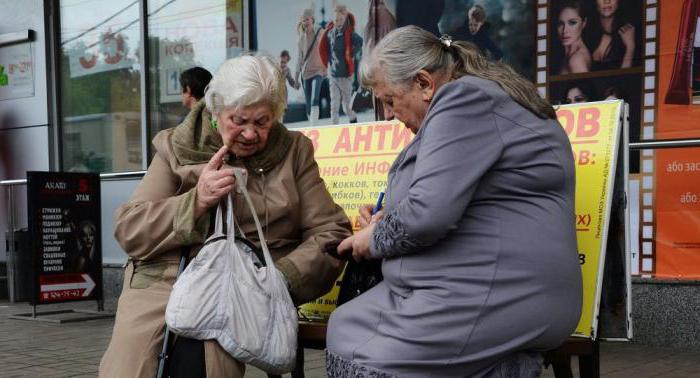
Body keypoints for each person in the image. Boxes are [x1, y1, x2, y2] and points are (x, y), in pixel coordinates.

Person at [326, 26, 582, 377]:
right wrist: (390, 216)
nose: (387, 114)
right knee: (346, 325)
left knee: (371, 353)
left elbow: (428, 215)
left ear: (424, 83)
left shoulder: (464, 99)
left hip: (499, 290)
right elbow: (453, 195)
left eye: (389, 100)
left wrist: (372, 240)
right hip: (478, 283)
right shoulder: (469, 100)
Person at [99, 55, 352, 377]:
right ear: (215, 112)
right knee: (134, 366)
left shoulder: (294, 151)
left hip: (252, 287)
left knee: (207, 359)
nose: (249, 134)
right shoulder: (177, 147)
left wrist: (279, 278)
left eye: (262, 122)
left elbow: (330, 232)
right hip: (167, 281)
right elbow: (129, 229)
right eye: (239, 120)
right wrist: (196, 201)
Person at [319, 5, 363, 124]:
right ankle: (334, 127)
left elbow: (360, 42)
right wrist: (326, 64)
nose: (338, 22)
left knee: (346, 107)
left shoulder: (349, 33)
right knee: (334, 105)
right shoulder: (329, 34)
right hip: (333, 75)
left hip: (345, 76)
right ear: (333, 20)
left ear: (345, 19)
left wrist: (351, 53)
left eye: (341, 20)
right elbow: (324, 49)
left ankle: (353, 119)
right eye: (336, 20)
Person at [294, 9, 325, 125]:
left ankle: (314, 125)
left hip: (318, 70)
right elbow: (299, 60)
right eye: (303, 21)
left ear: (312, 19)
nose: (305, 22)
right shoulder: (301, 39)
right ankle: (311, 121)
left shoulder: (320, 32)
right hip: (306, 73)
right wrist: (296, 78)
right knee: (308, 104)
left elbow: (328, 46)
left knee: (314, 98)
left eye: (307, 19)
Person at [585, 0, 636, 70]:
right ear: (594, 2)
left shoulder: (628, 32)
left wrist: (630, 47)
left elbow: (625, 77)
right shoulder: (586, 33)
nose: (607, 1)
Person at [555, 1, 591, 74]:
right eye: (561, 24)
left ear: (584, 23)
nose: (565, 30)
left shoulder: (577, 60)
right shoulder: (569, 53)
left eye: (572, 23)